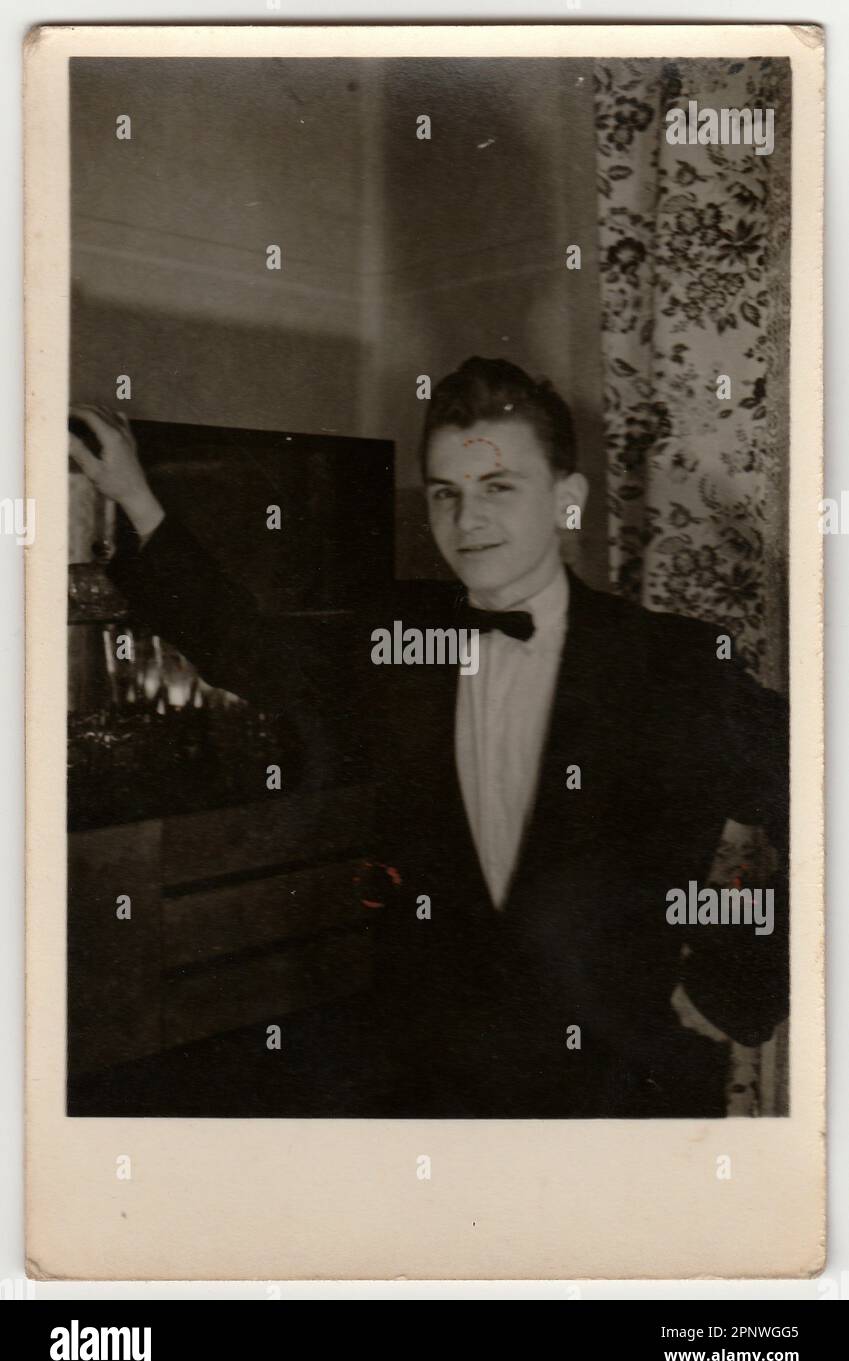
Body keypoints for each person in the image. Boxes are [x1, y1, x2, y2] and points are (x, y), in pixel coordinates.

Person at [68, 357, 789, 1119]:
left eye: (498, 487)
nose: (466, 520)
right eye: (446, 493)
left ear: (566, 501)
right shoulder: (404, 643)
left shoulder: (673, 664)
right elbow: (253, 651)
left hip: (625, 1086)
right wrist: (136, 499)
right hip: (437, 1080)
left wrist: (738, 987)